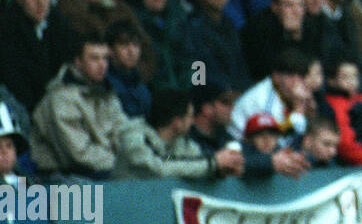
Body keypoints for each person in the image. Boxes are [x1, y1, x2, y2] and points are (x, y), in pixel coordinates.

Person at [29, 35, 129, 178]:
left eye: (105, 58)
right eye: (94, 58)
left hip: (105, 168)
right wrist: (124, 164)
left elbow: (124, 132)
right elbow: (79, 154)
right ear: (78, 62)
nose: (102, 65)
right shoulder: (60, 98)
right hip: (64, 178)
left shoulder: (106, 92)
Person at [112, 86, 244, 180]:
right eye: (190, 117)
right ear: (176, 122)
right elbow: (157, 169)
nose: (193, 122)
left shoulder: (183, 143)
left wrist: (220, 169)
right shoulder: (133, 134)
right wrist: (212, 163)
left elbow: (196, 164)